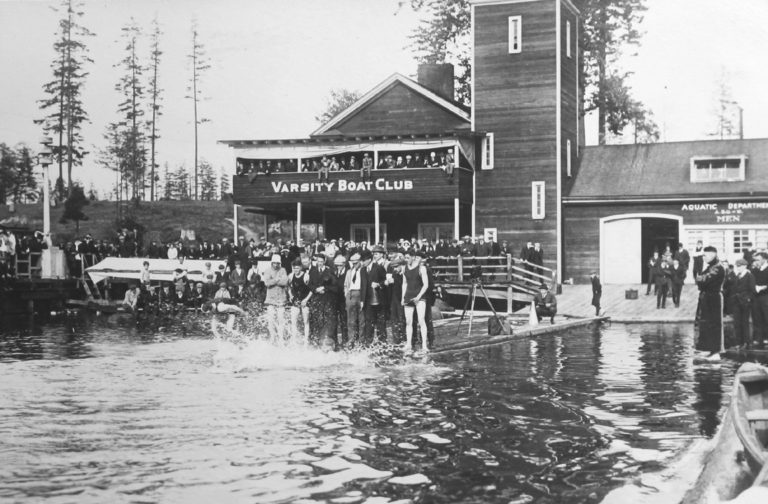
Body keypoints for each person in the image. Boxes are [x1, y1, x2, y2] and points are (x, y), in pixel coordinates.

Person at [695, 246, 725, 361]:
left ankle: (716, 351)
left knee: (714, 324)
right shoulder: (710, 267)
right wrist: (700, 279)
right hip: (706, 297)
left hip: (714, 298)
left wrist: (700, 279)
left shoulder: (718, 268)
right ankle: (708, 348)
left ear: (712, 255)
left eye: (705, 255)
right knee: (705, 323)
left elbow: (703, 280)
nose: (703, 257)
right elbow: (699, 280)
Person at [402, 251, 430, 355]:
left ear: (413, 257)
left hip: (420, 297)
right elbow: (404, 284)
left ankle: (424, 345)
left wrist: (418, 297)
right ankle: (408, 344)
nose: (406, 259)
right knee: (408, 321)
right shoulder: (404, 268)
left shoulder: (421, 268)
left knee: (421, 320)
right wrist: (402, 297)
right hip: (408, 296)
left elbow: (426, 285)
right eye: (405, 257)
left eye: (408, 257)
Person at [361, 248, 387, 344]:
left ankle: (382, 344)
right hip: (367, 301)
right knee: (369, 322)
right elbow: (362, 286)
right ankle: (369, 343)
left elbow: (385, 281)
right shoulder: (362, 270)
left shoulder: (378, 267)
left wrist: (379, 285)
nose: (362, 262)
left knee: (380, 323)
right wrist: (361, 300)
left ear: (369, 259)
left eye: (363, 260)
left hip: (379, 300)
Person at [729, 258, 755, 349]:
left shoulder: (749, 276)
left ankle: (746, 342)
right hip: (736, 302)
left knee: (745, 323)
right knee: (737, 323)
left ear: (745, 266)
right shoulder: (737, 276)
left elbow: (752, 290)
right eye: (737, 266)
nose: (738, 268)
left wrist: (748, 299)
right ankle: (738, 343)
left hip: (745, 302)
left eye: (740, 266)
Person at [263, 254, 288, 343]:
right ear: (272, 263)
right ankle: (272, 337)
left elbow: (285, 282)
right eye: (274, 263)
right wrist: (277, 279)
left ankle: (281, 338)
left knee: (281, 319)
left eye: (278, 263)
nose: (276, 265)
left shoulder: (283, 270)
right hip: (270, 299)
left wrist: (273, 280)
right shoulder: (267, 271)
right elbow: (267, 283)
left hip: (281, 298)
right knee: (271, 320)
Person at [287, 258, 311, 344]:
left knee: (306, 321)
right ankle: (294, 340)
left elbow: (311, 290)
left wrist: (306, 300)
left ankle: (306, 341)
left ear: (300, 267)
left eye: (297, 268)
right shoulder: (290, 276)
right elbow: (288, 287)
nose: (295, 270)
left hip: (305, 300)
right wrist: (290, 296)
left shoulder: (306, 276)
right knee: (293, 321)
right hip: (296, 300)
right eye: (294, 268)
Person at [344, 252, 365, 347]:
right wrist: (347, 294)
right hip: (351, 294)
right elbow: (346, 284)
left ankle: (361, 341)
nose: (354, 264)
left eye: (356, 262)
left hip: (360, 294)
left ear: (360, 261)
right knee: (351, 320)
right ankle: (351, 340)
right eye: (352, 263)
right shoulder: (349, 271)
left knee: (361, 320)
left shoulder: (363, 271)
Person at [753, 251, 768, 349]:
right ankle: (759, 338)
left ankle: (767, 338)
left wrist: (764, 287)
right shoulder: (755, 270)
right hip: (756, 297)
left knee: (766, 317)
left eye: (758, 260)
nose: (756, 262)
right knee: (757, 318)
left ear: (764, 259)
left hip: (766, 297)